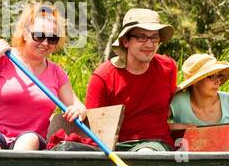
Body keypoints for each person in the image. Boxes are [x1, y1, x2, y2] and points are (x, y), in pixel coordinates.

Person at [53, 8, 178, 152]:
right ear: (125, 41)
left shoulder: (169, 67)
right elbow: (95, 126)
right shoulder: (104, 75)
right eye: (142, 37)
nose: (149, 44)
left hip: (155, 144)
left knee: (145, 153)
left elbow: (171, 108)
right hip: (113, 148)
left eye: (154, 38)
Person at [0, 3, 87, 150]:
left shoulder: (57, 72)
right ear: (25, 33)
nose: (45, 43)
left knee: (29, 140)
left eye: (52, 38)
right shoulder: (3, 59)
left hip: (30, 141)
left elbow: (77, 105)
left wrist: (78, 110)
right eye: (39, 36)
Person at [169, 53, 229, 146]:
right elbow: (156, 125)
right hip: (188, 157)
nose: (218, 81)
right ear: (196, 81)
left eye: (219, 76)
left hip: (224, 157)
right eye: (211, 76)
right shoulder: (179, 101)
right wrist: (183, 127)